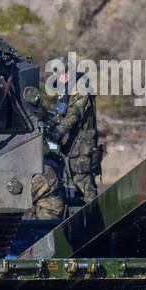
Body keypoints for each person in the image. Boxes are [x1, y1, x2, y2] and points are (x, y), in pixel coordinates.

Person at [50, 63, 102, 203]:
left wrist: (57, 132)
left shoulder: (80, 87)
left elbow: (74, 115)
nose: (60, 78)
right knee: (75, 180)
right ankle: (84, 216)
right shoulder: (67, 89)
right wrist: (49, 124)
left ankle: (93, 216)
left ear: (68, 73)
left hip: (82, 144)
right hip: (72, 143)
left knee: (83, 180)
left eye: (62, 74)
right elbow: (61, 114)